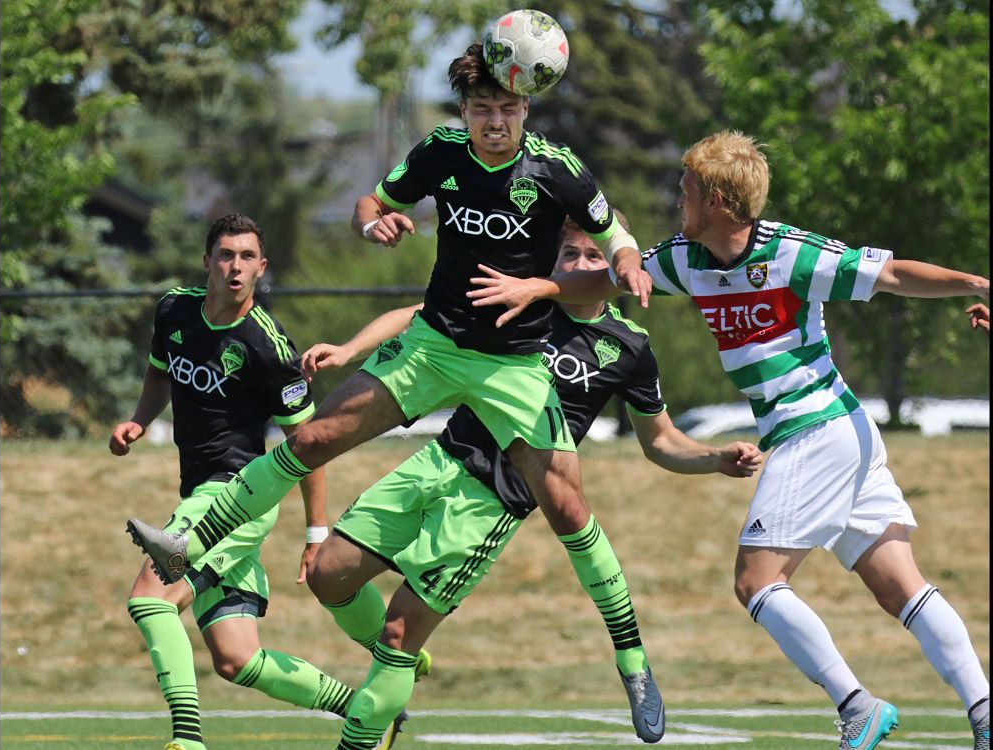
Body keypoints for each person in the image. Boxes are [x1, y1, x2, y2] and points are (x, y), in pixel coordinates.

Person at [125, 44, 664, 745]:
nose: (492, 122)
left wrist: (625, 262)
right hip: (433, 344)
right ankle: (191, 542)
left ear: (525, 108)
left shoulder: (556, 170)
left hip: (513, 365)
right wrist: (372, 221)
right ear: (464, 113)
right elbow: (370, 201)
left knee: (567, 507)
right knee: (313, 437)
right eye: (480, 111)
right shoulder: (442, 151)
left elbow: (616, 235)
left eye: (505, 110)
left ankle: (633, 659)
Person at [468, 130, 990, 750]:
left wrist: (978, 286)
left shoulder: (793, 255)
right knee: (899, 584)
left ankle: (857, 705)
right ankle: (984, 713)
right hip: (843, 432)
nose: (677, 197)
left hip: (815, 428)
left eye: (686, 187)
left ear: (716, 199)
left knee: (757, 582)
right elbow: (608, 282)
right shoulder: (684, 259)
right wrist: (544, 288)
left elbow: (894, 274)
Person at [298, 214, 763, 749]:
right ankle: (401, 668)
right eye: (571, 255)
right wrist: (351, 350)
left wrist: (714, 458)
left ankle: (379, 706)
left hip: (492, 503)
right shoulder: (522, 306)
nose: (583, 266)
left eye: (596, 256)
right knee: (327, 575)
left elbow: (660, 441)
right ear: (554, 261)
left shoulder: (629, 348)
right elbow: (417, 317)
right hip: (439, 460)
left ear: (614, 264)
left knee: (397, 633)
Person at [116, 214, 402, 750]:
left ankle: (187, 740)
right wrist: (141, 418)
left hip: (237, 498)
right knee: (236, 658)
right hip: (199, 497)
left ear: (262, 268)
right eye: (226, 254)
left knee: (150, 599)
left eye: (247, 257)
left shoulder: (267, 346)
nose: (235, 267)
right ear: (207, 261)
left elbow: (310, 444)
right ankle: (368, 712)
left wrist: (316, 534)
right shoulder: (174, 308)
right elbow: (160, 370)